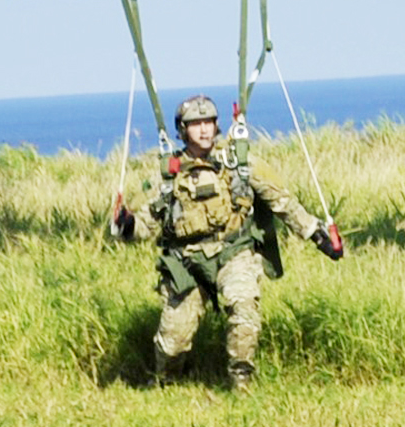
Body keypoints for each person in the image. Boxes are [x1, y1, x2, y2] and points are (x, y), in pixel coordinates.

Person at [111, 93, 342, 391]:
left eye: (209, 122)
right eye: (196, 124)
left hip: (234, 252)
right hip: (186, 261)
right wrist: (126, 225)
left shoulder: (240, 162)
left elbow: (282, 202)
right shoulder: (170, 175)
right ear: (183, 130)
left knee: (244, 307)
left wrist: (318, 234)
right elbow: (146, 222)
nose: (204, 130)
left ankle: (241, 382)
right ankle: (165, 385)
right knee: (173, 343)